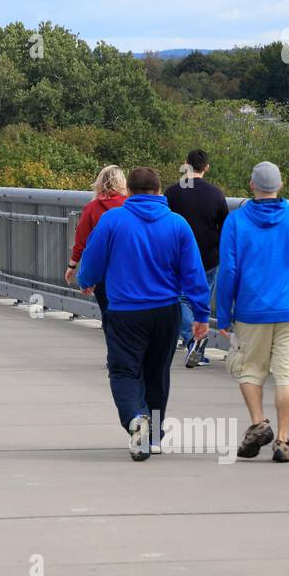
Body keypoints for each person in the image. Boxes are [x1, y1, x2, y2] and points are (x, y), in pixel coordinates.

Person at [78, 167, 210, 462]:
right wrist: (201, 314)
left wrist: (85, 280)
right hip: (166, 311)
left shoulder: (113, 220)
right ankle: (155, 435)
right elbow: (193, 273)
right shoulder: (178, 224)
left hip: (125, 311)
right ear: (159, 190)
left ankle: (135, 418)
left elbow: (92, 260)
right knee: (157, 372)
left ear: (130, 192)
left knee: (124, 370)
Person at [217, 162, 289, 463]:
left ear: (252, 185)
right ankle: (283, 440)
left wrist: (224, 313)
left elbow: (229, 271)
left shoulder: (236, 221)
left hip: (251, 309)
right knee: (288, 375)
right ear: (281, 185)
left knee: (250, 369)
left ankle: (258, 422)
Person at [164, 148, 229, 365]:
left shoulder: (172, 193)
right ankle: (196, 339)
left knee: (179, 298)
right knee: (201, 299)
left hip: (179, 256)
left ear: (186, 164)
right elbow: (225, 226)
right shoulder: (216, 194)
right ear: (206, 168)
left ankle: (193, 338)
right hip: (209, 257)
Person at [66, 165, 128, 330]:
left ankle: (115, 348)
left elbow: (82, 240)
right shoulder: (130, 205)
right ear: (122, 182)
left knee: (108, 315)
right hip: (129, 270)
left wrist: (73, 266)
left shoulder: (92, 208)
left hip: (103, 274)